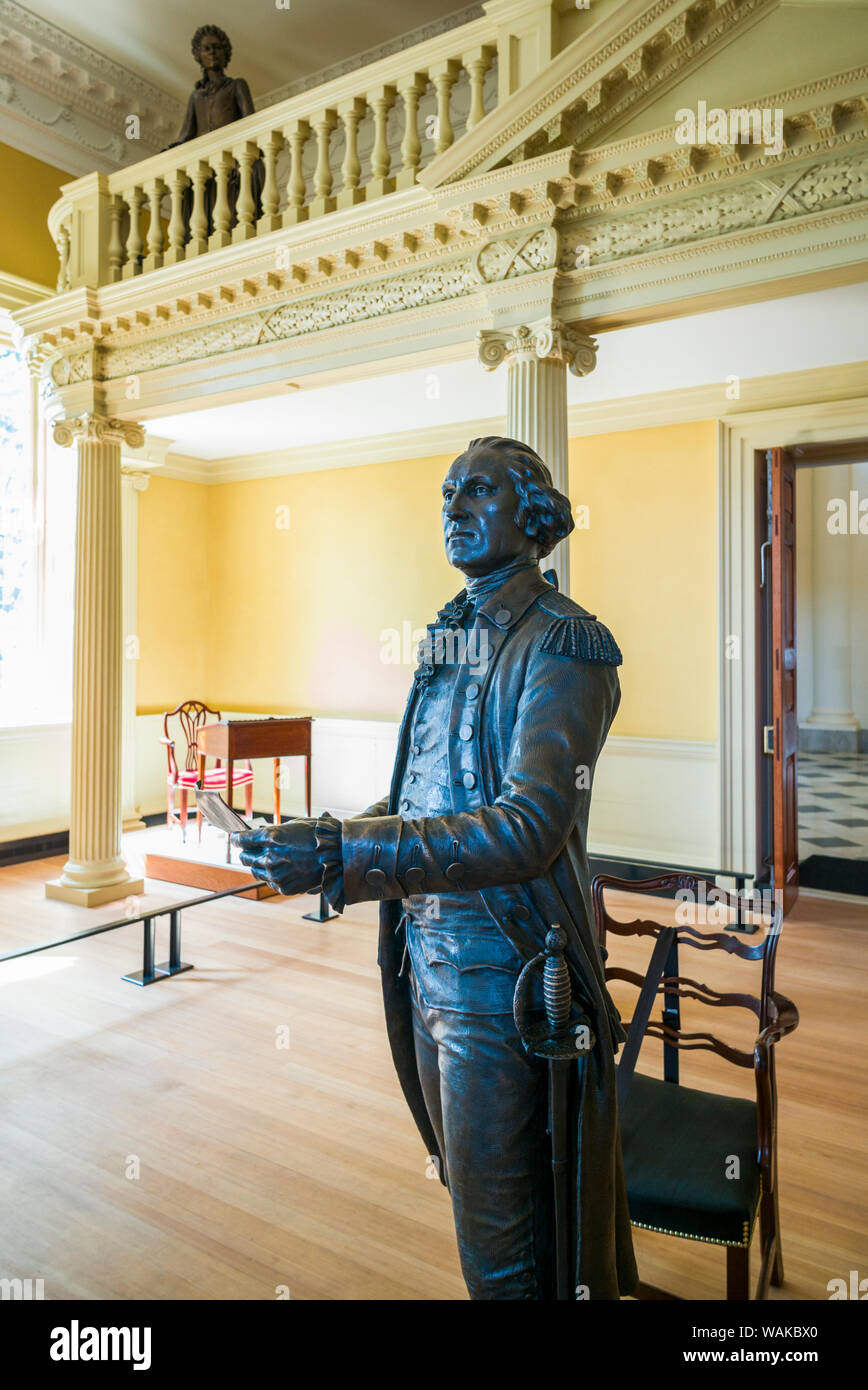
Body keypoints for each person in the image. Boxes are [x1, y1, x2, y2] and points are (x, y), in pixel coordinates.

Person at [236, 435, 638, 1300]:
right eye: (447, 494)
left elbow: (528, 828)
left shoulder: (567, 643)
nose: (453, 510)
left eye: (478, 492)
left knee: (505, 1248)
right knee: (476, 1200)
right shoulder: (450, 637)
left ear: (530, 515)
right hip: (427, 964)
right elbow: (415, 803)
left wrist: (351, 853)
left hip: (507, 977)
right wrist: (325, 837)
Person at [165, 26, 263, 232]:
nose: (212, 52)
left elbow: (250, 124)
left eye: (217, 48)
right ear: (198, 55)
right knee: (205, 223)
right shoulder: (196, 96)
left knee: (232, 219)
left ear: (225, 53)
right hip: (205, 170)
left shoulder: (236, 85)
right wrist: (173, 149)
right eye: (207, 48)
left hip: (230, 162)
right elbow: (186, 134)